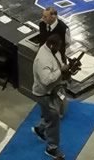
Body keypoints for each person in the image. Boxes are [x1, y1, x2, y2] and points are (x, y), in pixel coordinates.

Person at [31, 25, 67, 158]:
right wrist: (61, 71)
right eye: (58, 47)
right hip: (44, 94)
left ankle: (40, 128)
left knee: (52, 114)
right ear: (52, 45)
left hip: (54, 89)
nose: (60, 49)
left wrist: (67, 69)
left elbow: (58, 64)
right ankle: (52, 148)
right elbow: (46, 80)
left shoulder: (53, 51)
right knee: (54, 119)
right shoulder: (42, 59)